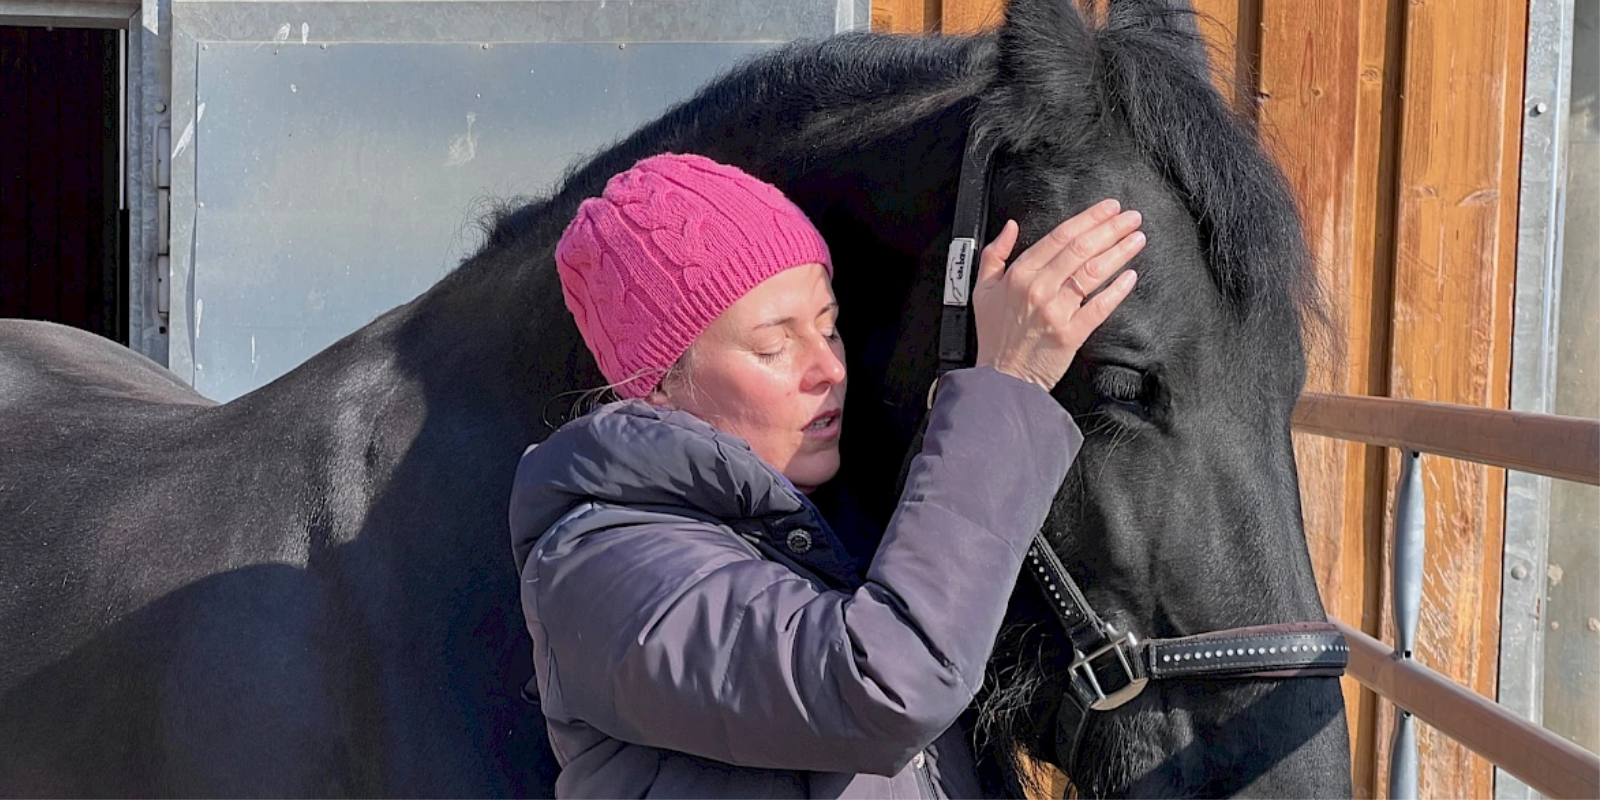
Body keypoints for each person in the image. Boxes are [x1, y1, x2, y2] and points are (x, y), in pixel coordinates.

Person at [509, 153, 1143, 798]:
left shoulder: (827, 538)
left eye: (828, 328)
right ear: (662, 386)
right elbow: (885, 686)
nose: (830, 369)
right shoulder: (601, 568)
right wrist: (1008, 383)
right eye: (773, 345)